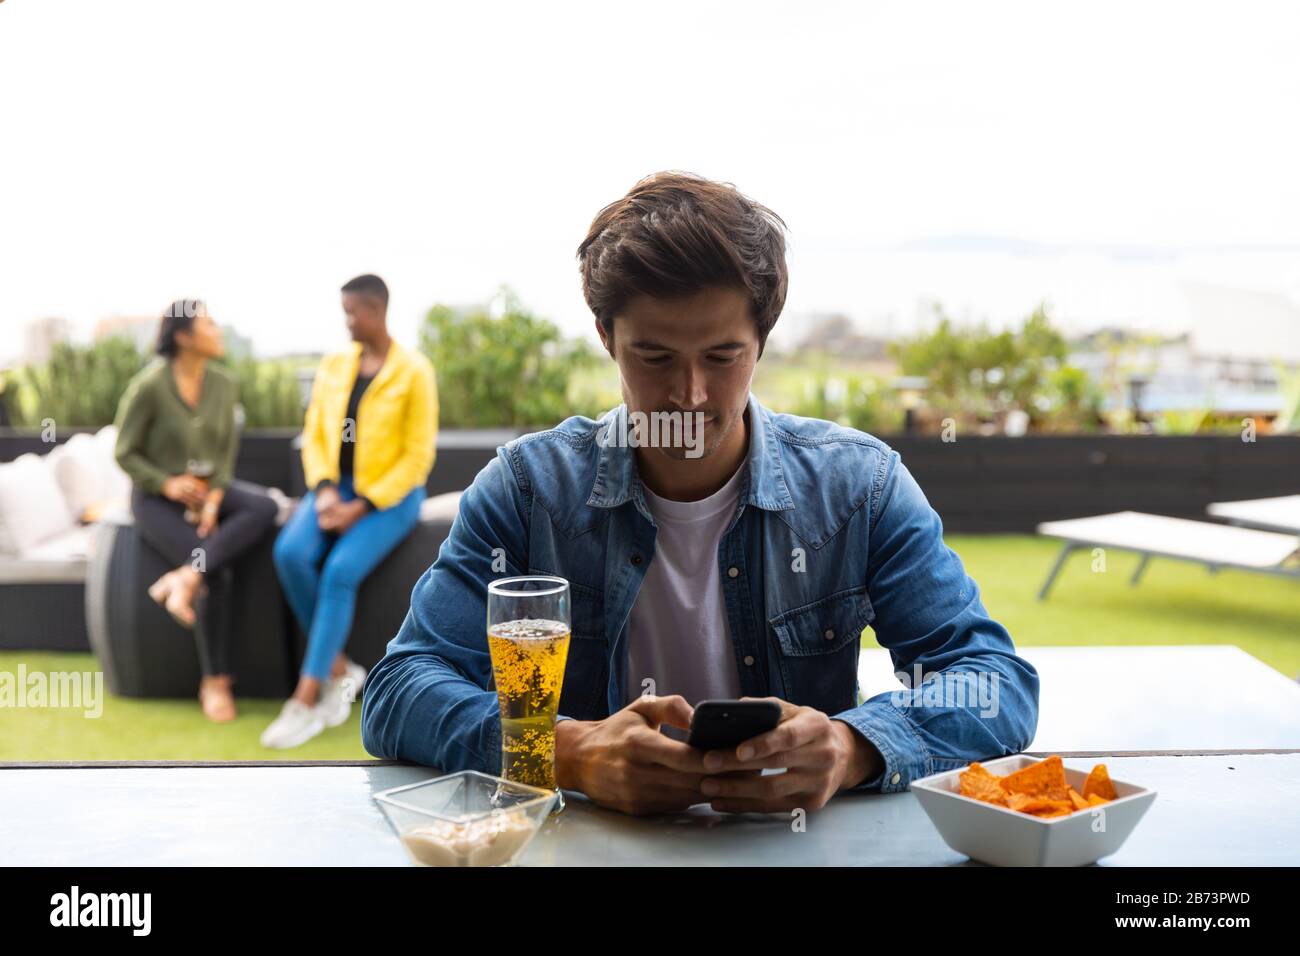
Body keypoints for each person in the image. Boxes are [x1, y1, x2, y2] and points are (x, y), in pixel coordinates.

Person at [361, 172, 1040, 816]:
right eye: (654, 357)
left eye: (722, 357)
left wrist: (852, 747)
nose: (689, 396)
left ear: (762, 342)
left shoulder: (858, 488)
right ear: (606, 337)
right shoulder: (526, 492)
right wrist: (566, 752)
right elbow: (397, 692)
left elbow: (993, 682)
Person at [263, 274, 438, 749]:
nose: (347, 322)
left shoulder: (415, 371)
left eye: (351, 312)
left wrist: (362, 505)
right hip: (332, 490)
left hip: (391, 498)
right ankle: (341, 669)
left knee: (339, 570)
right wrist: (322, 491)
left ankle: (307, 697)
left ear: (376, 310)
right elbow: (317, 431)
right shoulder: (336, 364)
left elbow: (417, 457)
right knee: (291, 553)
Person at [114, 299, 279, 722]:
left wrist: (216, 500)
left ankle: (183, 579)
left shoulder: (224, 384)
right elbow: (124, 452)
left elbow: (225, 454)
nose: (217, 329)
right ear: (184, 336)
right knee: (216, 570)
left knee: (263, 506)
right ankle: (216, 682)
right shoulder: (149, 387)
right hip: (155, 499)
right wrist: (167, 483)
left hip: (210, 493)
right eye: (208, 323)